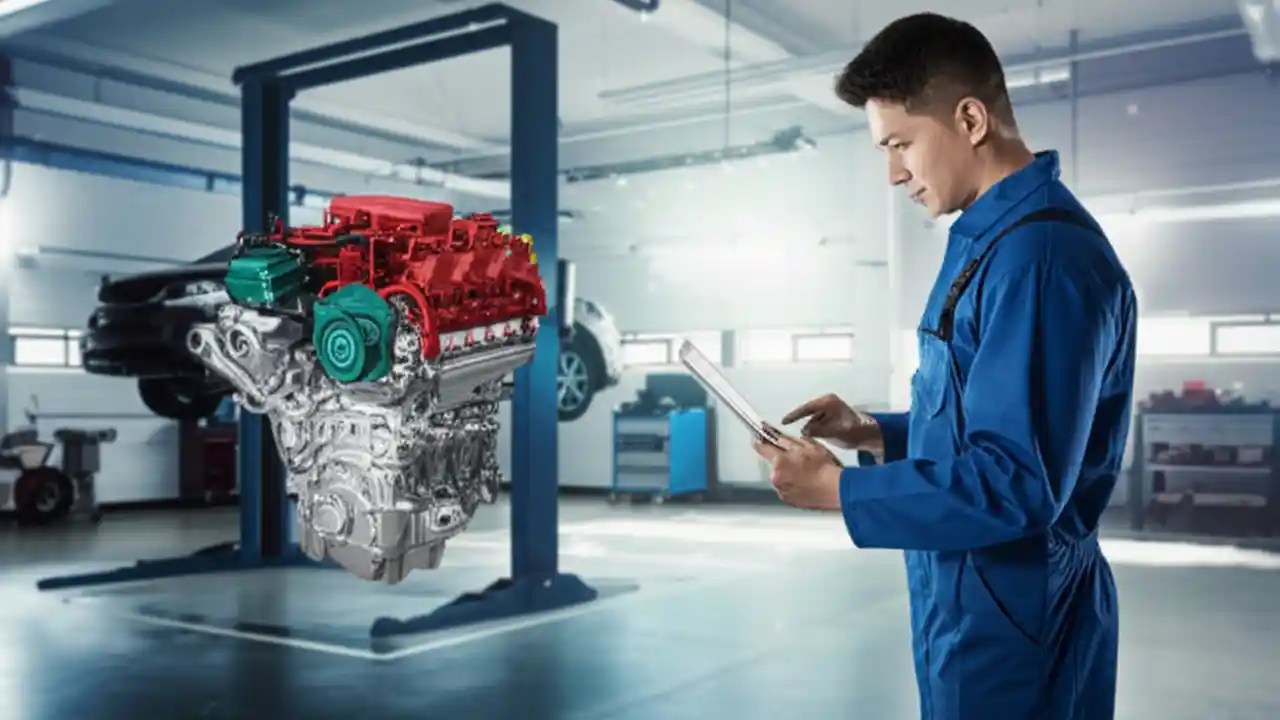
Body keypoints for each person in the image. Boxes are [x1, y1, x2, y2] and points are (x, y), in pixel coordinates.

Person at [751, 12, 1137, 720]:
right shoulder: (990, 240)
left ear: (969, 119)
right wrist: (873, 432)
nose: (894, 172)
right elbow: (985, 420)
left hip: (1017, 622)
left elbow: (1021, 481)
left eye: (900, 144)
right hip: (971, 599)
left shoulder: (1041, 259)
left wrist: (841, 491)